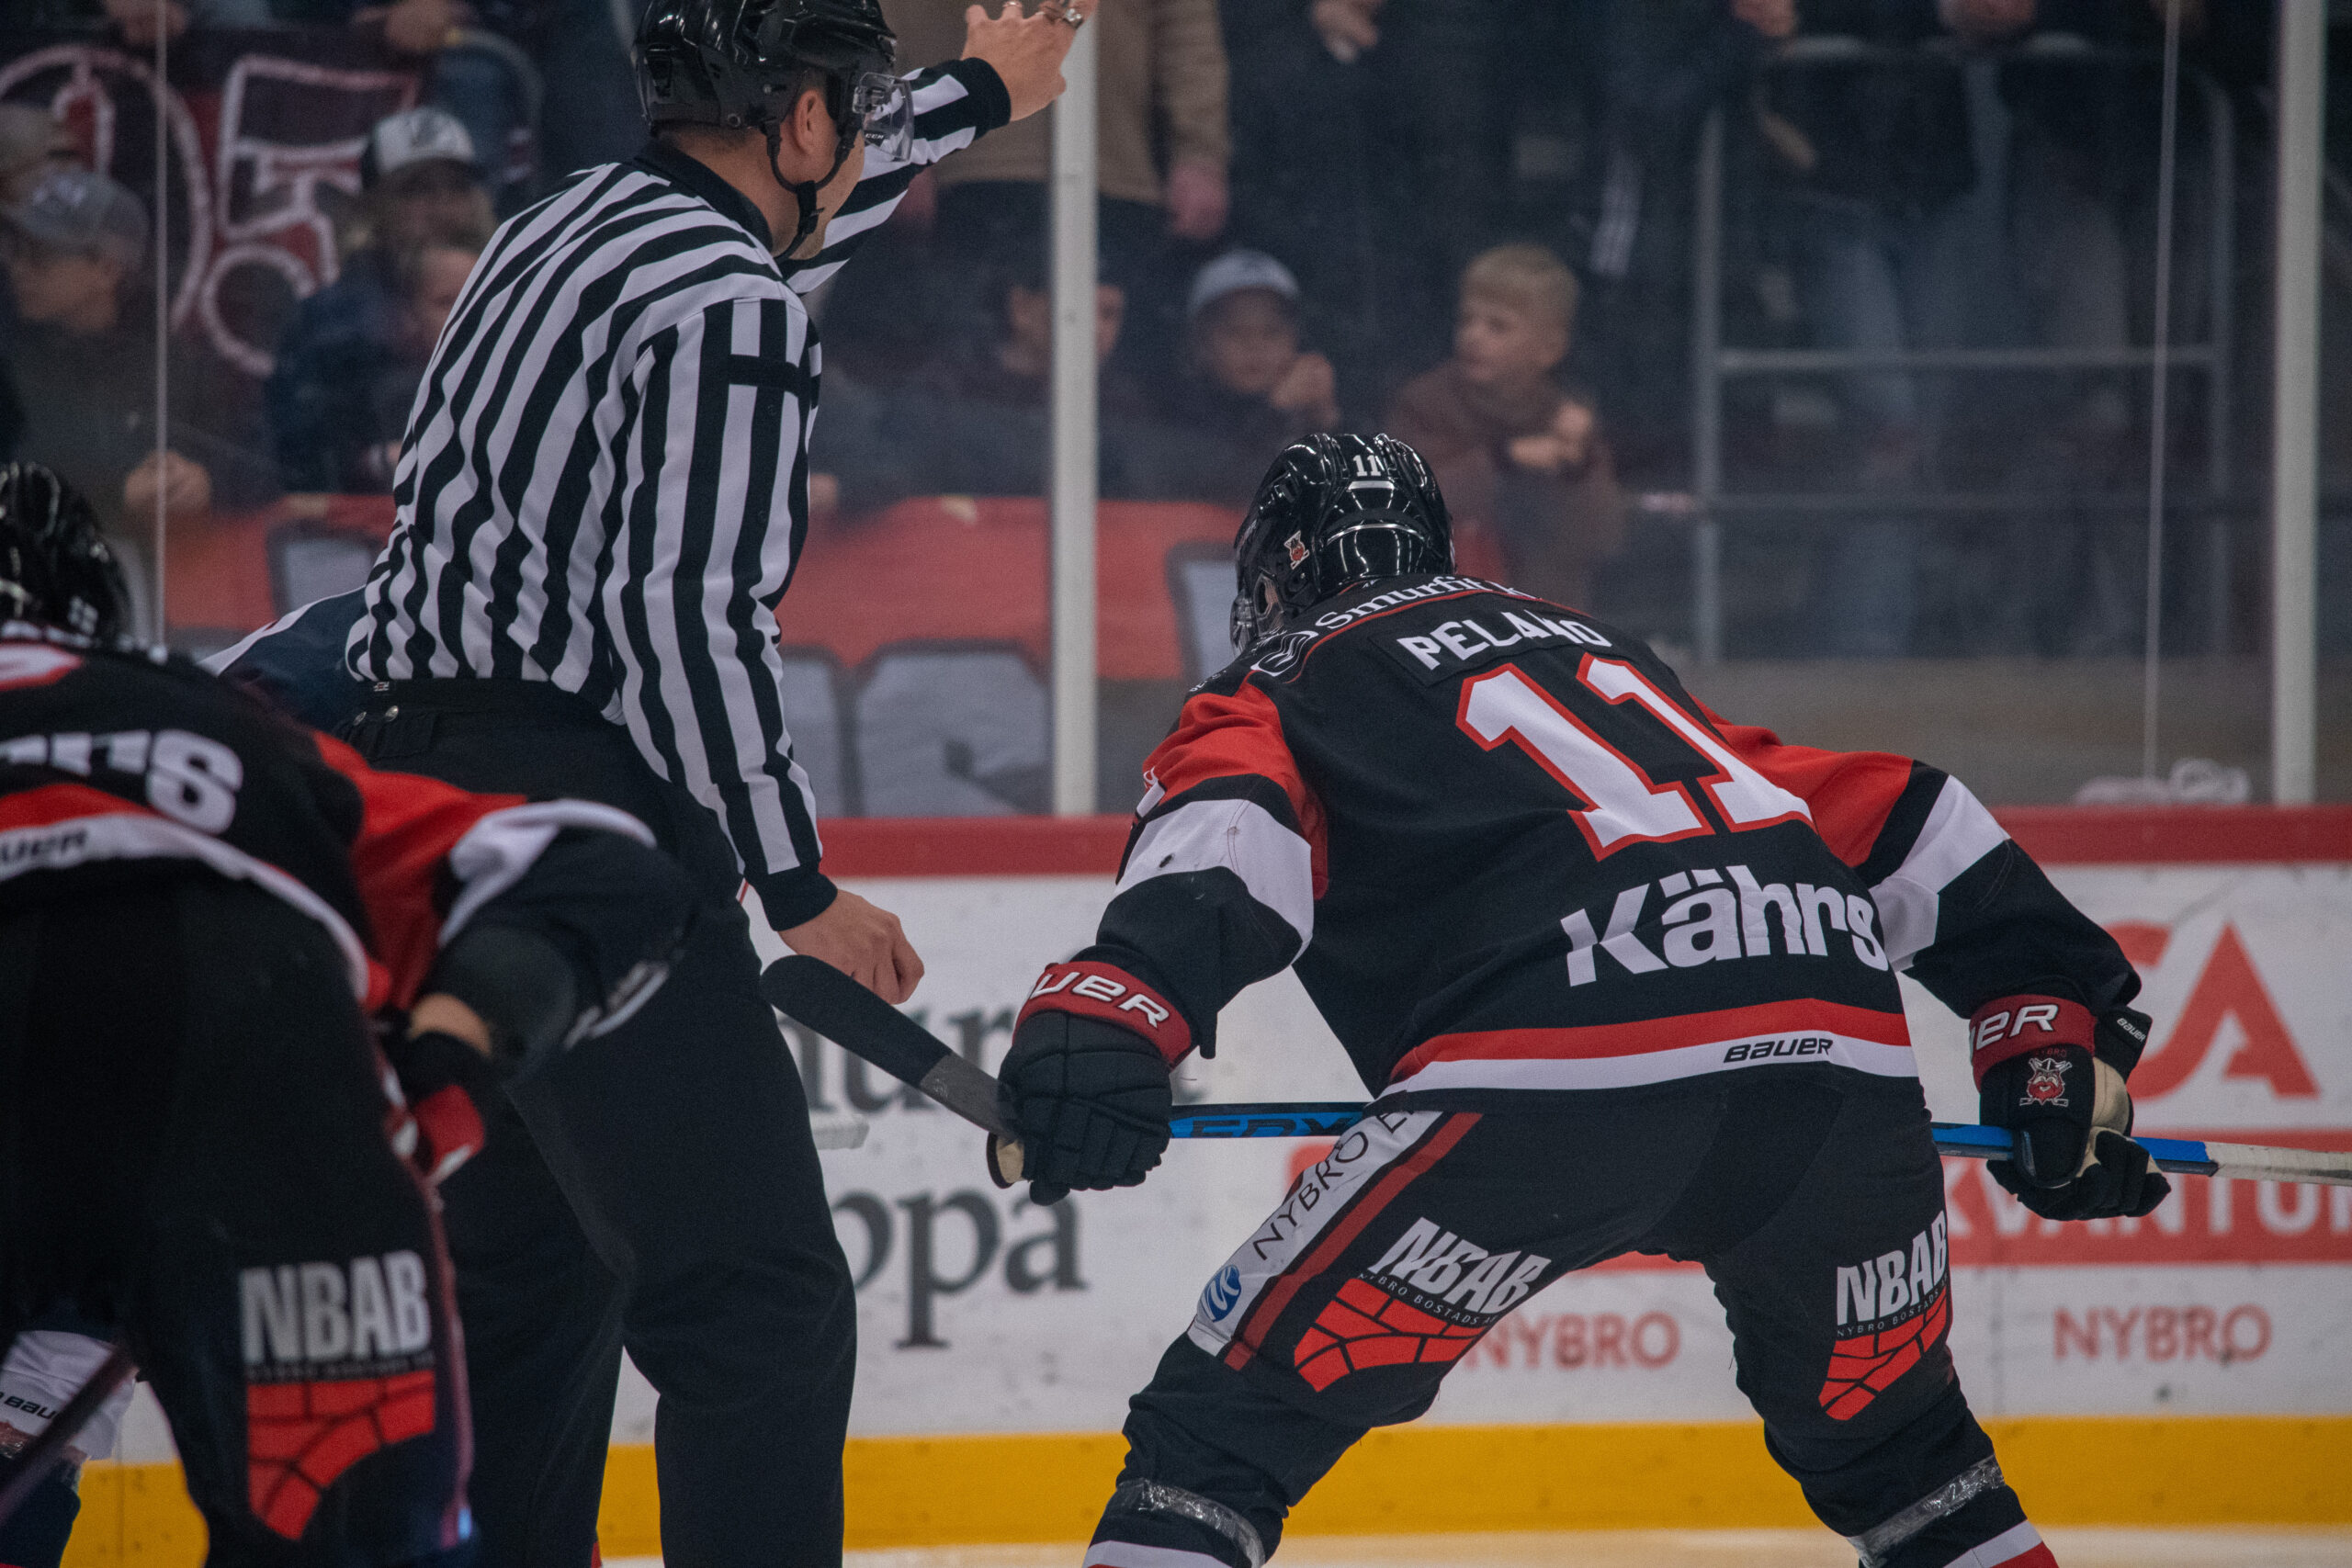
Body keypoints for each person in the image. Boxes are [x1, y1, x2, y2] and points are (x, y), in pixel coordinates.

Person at [994, 433, 2168, 1568]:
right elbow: (1909, 814)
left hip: (1558, 1069)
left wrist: (1113, 1012)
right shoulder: (1597, 649)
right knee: (1911, 1465)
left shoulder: (1278, 677)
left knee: (1218, 1444)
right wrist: (2043, 1039)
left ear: (1272, 575)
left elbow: (1227, 846)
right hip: (1836, 1064)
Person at [325, 2, 1090, 1562]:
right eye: (848, 117)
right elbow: (686, 614)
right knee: (757, 1305)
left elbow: (810, 206)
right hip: (573, 823)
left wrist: (977, 93)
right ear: (801, 122)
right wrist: (794, 881)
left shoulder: (558, 224)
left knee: (534, 1283)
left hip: (412, 809)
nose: (859, 149)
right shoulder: (735, 301)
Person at [0, 463, 699, 1568]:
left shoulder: (288, 667)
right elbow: (601, 878)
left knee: (32, 1409)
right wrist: (445, 1060)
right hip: (260, 1150)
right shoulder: (217, 714)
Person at [884, 0, 1229, 377]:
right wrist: (897, 145)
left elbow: (1186, 26)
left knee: (1109, 384)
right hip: (967, 168)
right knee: (966, 371)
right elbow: (872, 20)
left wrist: (1199, 153)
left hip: (1113, 168)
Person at [0, 168, 277, 620]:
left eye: (40, 255)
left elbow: (263, 465)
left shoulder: (177, 365)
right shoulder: (9, 364)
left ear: (106, 269)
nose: (18, 268)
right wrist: (116, 499)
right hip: (29, 605)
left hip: (166, 611)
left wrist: (206, 483)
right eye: (14, 250)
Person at [1385, 243, 1625, 611]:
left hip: (1546, 616)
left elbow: (1603, 540)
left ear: (1549, 349)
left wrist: (1580, 467)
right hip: (1446, 614)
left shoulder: (1566, 420)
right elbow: (1407, 504)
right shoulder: (1426, 404)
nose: (1474, 335)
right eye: (1467, 320)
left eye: (1497, 326)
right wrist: (1502, 460)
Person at [268, 108, 494, 493]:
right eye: (418, 189)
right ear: (374, 205)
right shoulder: (329, 325)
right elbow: (295, 454)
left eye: (456, 187)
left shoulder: (522, 289)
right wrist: (365, 461)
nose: (442, 207)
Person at [1154, 250, 1340, 506]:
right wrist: (1277, 411)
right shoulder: (1178, 411)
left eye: (1271, 332)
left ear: (1295, 340)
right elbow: (1226, 486)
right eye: (1236, 332)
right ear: (1200, 343)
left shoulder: (1308, 409)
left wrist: (1326, 422)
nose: (1255, 346)